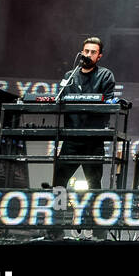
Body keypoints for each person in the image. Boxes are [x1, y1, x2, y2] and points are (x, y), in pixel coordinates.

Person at [53, 37, 117, 191]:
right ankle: (57, 211)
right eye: (86, 51)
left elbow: (108, 103)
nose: (88, 55)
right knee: (58, 182)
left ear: (99, 56)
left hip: (93, 140)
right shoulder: (70, 76)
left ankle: (90, 214)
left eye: (93, 52)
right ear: (81, 52)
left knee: (93, 184)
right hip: (71, 139)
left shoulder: (105, 75)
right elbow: (59, 99)